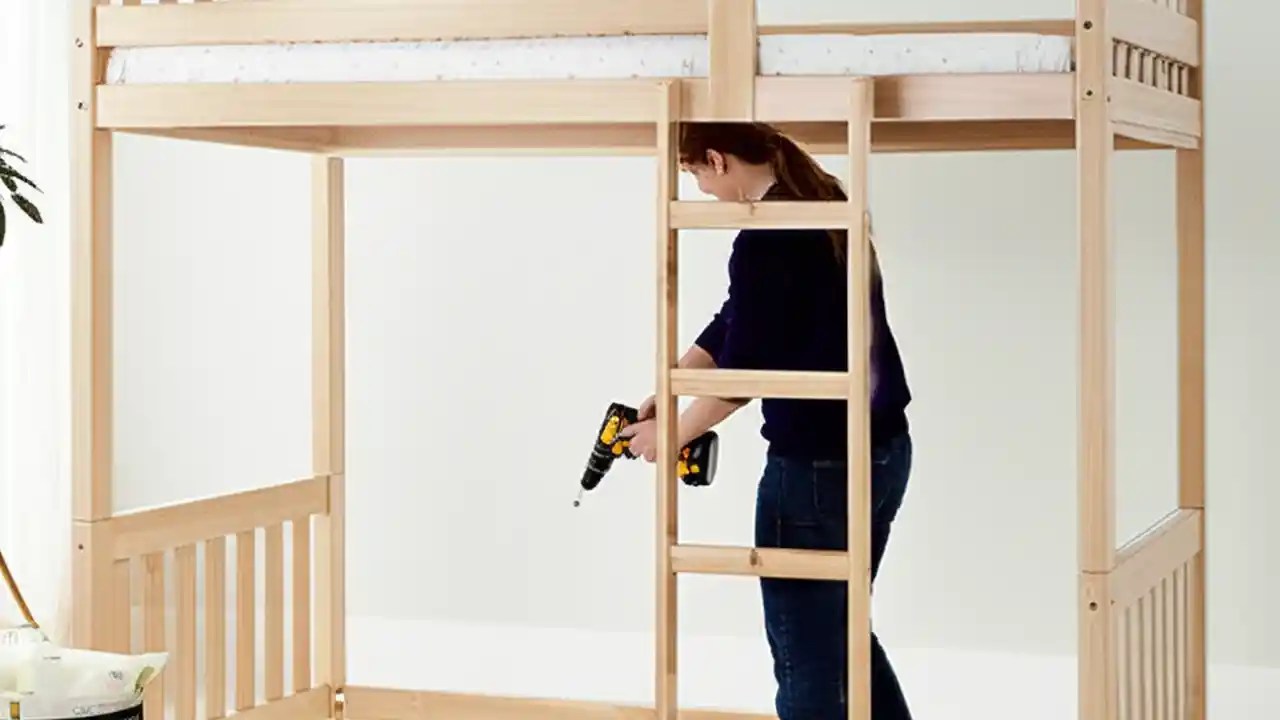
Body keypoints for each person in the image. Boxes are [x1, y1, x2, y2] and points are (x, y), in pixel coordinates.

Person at [620, 122, 914, 720]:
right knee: (844, 631)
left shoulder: (766, 235)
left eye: (695, 174)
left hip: (816, 467)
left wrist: (670, 436)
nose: (701, 190)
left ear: (716, 159)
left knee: (805, 653)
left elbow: (747, 368)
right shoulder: (823, 203)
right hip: (884, 452)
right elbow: (738, 316)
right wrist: (672, 386)